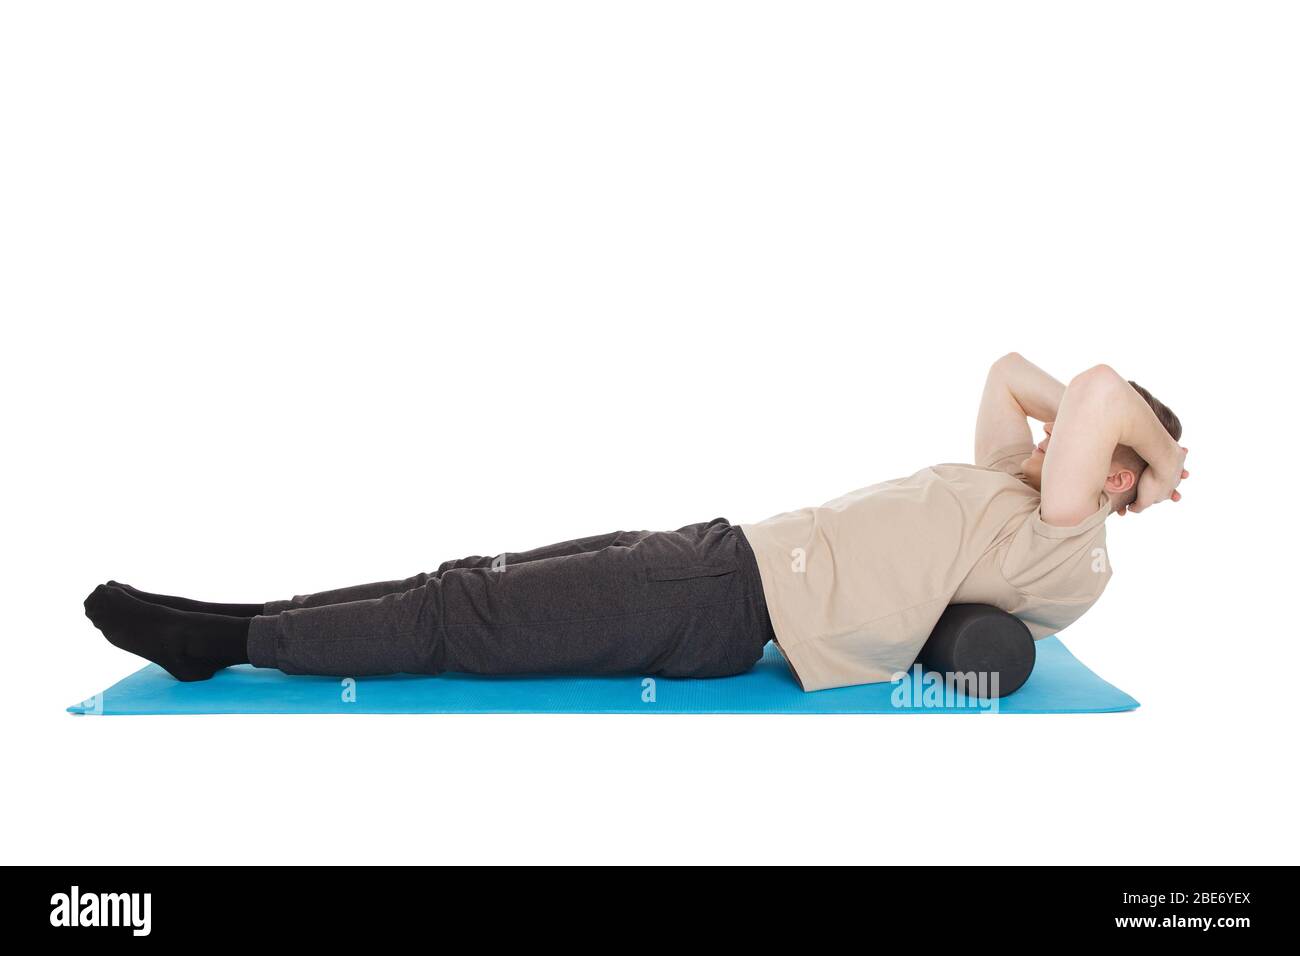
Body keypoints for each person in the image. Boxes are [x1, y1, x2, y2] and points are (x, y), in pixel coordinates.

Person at [83, 354, 1186, 691]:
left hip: (725, 608)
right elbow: (1013, 372)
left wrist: (1161, 458)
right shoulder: (1016, 488)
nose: (1056, 443)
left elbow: (1088, 391)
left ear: (1118, 476)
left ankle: (224, 643)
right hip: (719, 554)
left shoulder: (1063, 535)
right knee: (455, 583)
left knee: (462, 618)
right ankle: (228, 621)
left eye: (1104, 456)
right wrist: (1114, 444)